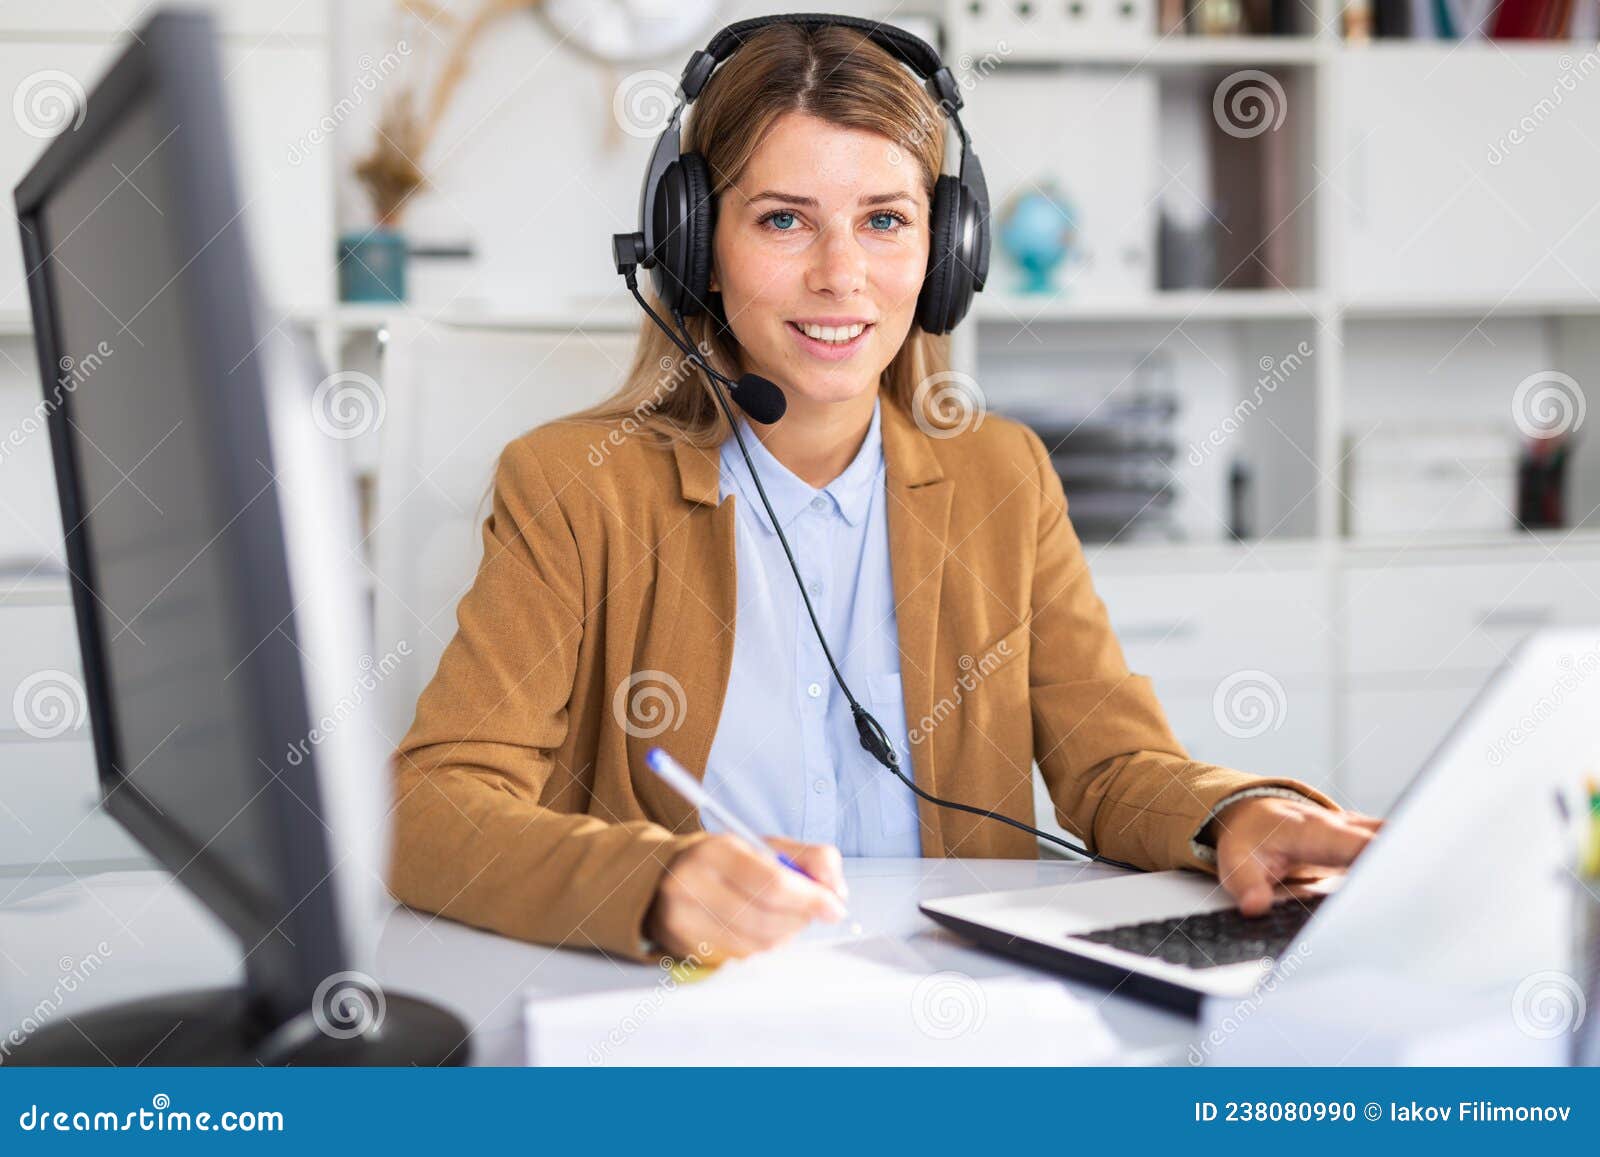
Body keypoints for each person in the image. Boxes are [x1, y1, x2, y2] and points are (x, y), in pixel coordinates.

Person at [386, 22, 1380, 967]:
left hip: (955, 1007)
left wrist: (1237, 812)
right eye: (783, 219)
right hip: (688, 1002)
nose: (841, 274)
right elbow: (427, 808)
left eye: (884, 220)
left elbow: (1113, 765)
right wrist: (652, 883)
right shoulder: (575, 487)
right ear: (693, 248)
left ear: (945, 253)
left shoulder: (1003, 477)